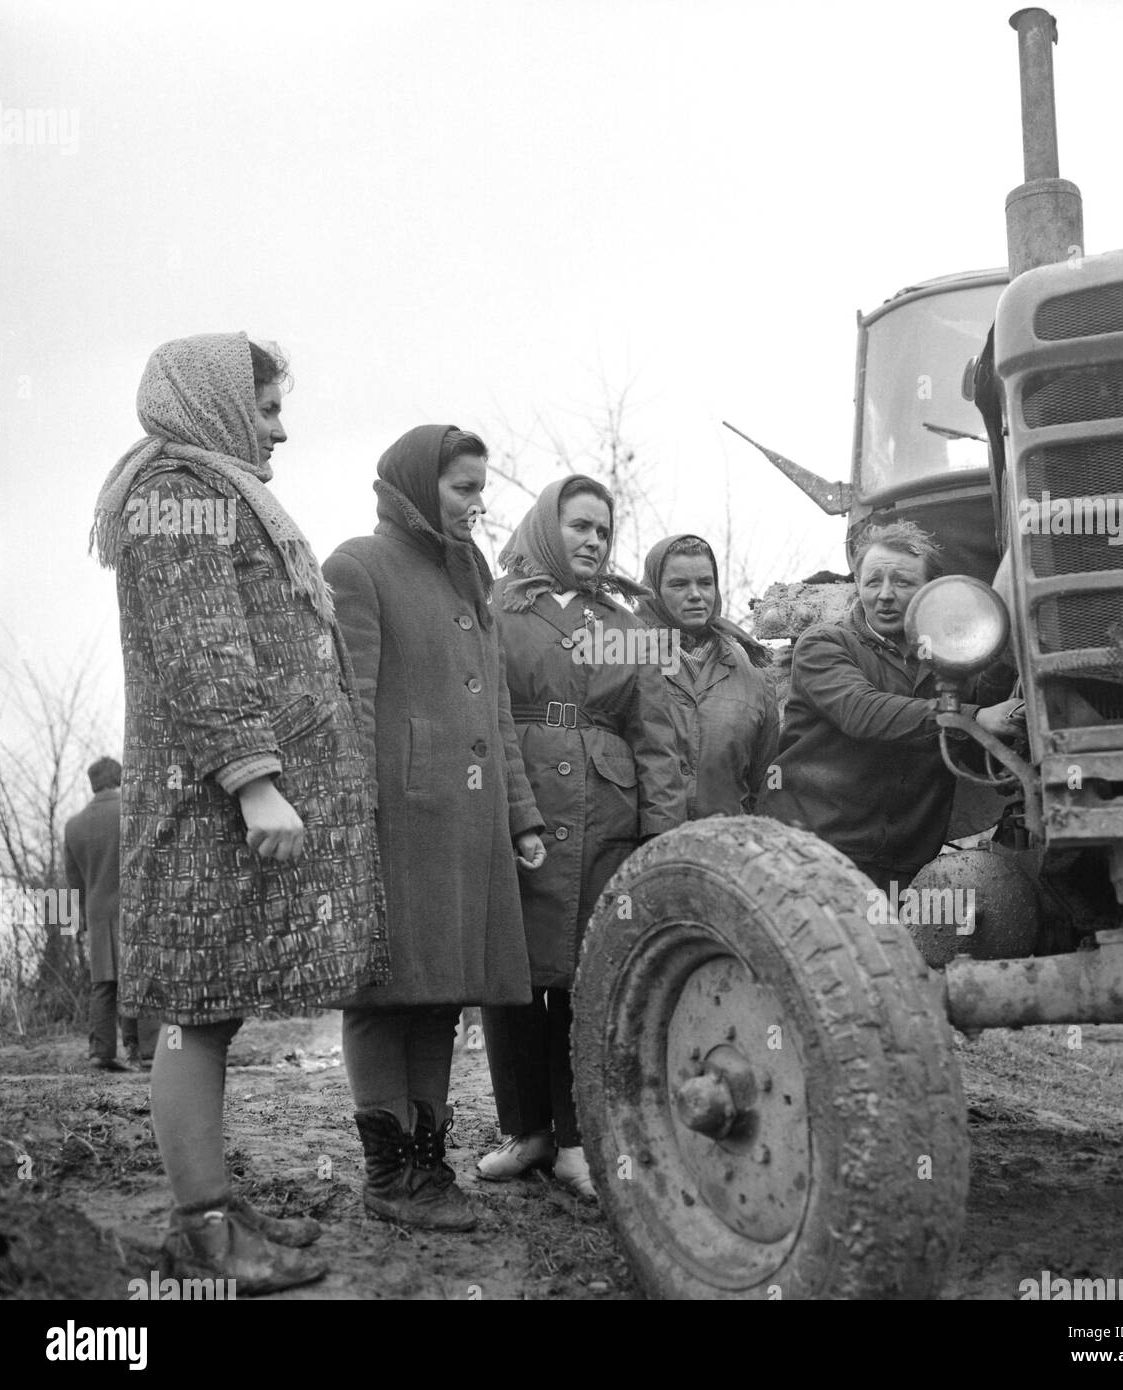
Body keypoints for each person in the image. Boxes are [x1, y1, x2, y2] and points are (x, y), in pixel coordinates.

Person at [91, 333, 388, 1294]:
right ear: (216, 403)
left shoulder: (211, 489)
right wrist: (256, 779)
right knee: (194, 1012)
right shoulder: (174, 494)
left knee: (211, 1008)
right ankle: (203, 1234)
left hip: (216, 804)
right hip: (208, 809)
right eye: (265, 408)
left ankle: (213, 1203)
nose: (280, 427)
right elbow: (201, 647)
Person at [322, 424, 545, 1233]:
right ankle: (388, 1176)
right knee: (384, 997)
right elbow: (342, 705)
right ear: (419, 486)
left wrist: (520, 815)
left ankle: (427, 1166)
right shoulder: (358, 565)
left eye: (482, 489)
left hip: (469, 825)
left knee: (440, 996)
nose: (476, 505)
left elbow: (499, 716)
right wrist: (348, 819)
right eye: (461, 488)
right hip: (393, 821)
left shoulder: (470, 580)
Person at [478, 476, 685, 1198]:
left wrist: (660, 834)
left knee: (584, 979)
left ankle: (574, 1140)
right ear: (545, 528)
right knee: (508, 978)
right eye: (579, 527)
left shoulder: (629, 626)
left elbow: (656, 738)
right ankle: (526, 1129)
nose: (595, 540)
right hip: (518, 803)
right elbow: (482, 715)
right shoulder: (496, 608)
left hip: (606, 819)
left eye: (603, 529)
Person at [758, 520, 1023, 892]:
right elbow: (863, 712)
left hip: (903, 864)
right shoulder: (825, 645)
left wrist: (1004, 706)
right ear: (858, 586)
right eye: (872, 582)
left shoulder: (949, 659)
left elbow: (975, 760)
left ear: (931, 592)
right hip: (812, 854)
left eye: (902, 582)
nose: (885, 595)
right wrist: (973, 717)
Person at [635, 534, 778, 819]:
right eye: (679, 584)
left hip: (727, 845)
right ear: (654, 591)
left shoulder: (752, 670)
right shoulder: (625, 654)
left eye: (705, 582)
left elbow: (769, 775)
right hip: (641, 845)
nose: (696, 595)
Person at [63, 757, 145, 1070]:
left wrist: (71, 925)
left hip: (96, 913)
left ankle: (101, 1052)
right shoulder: (132, 810)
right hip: (134, 907)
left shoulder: (73, 824)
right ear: (120, 778)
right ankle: (146, 1052)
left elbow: (70, 880)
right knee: (141, 978)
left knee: (103, 984)